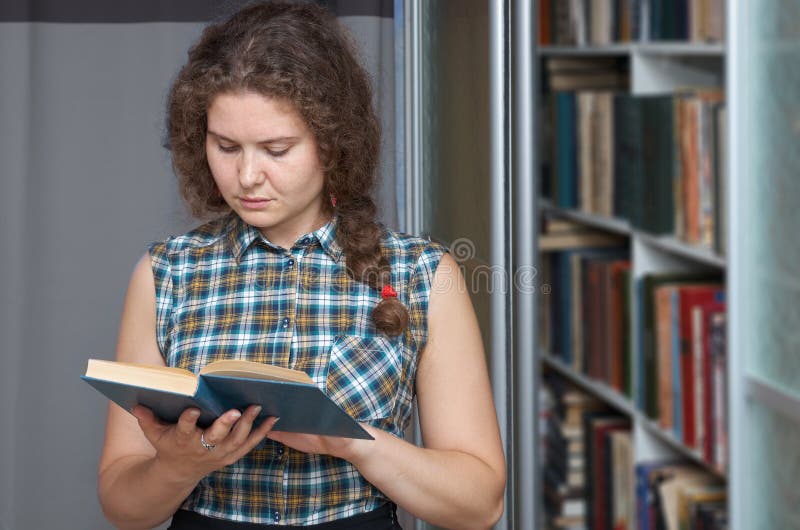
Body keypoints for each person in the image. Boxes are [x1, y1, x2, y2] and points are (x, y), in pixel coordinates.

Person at [96, 2, 505, 529]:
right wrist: (176, 468)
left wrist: (351, 443)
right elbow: (122, 508)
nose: (246, 175)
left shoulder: (422, 274)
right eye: (225, 147)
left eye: (276, 149)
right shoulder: (165, 274)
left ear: (332, 143)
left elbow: (479, 506)